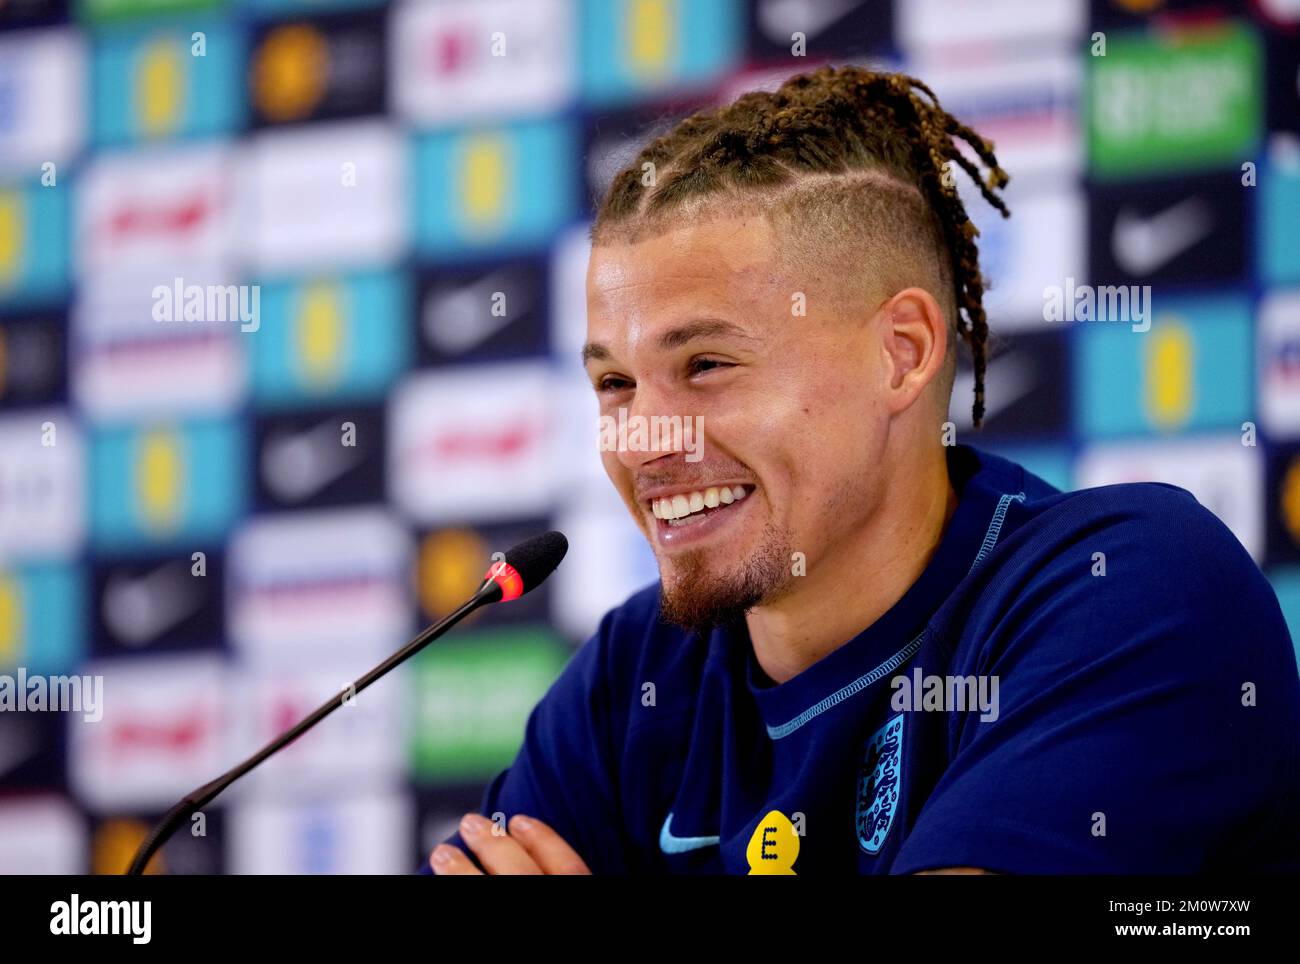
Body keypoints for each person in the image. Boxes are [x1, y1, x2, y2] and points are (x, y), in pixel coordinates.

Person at [425, 64, 1300, 875]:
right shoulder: (636, 678)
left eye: (707, 365)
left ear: (902, 353)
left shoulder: (1136, 589)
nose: (644, 441)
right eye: (615, 384)